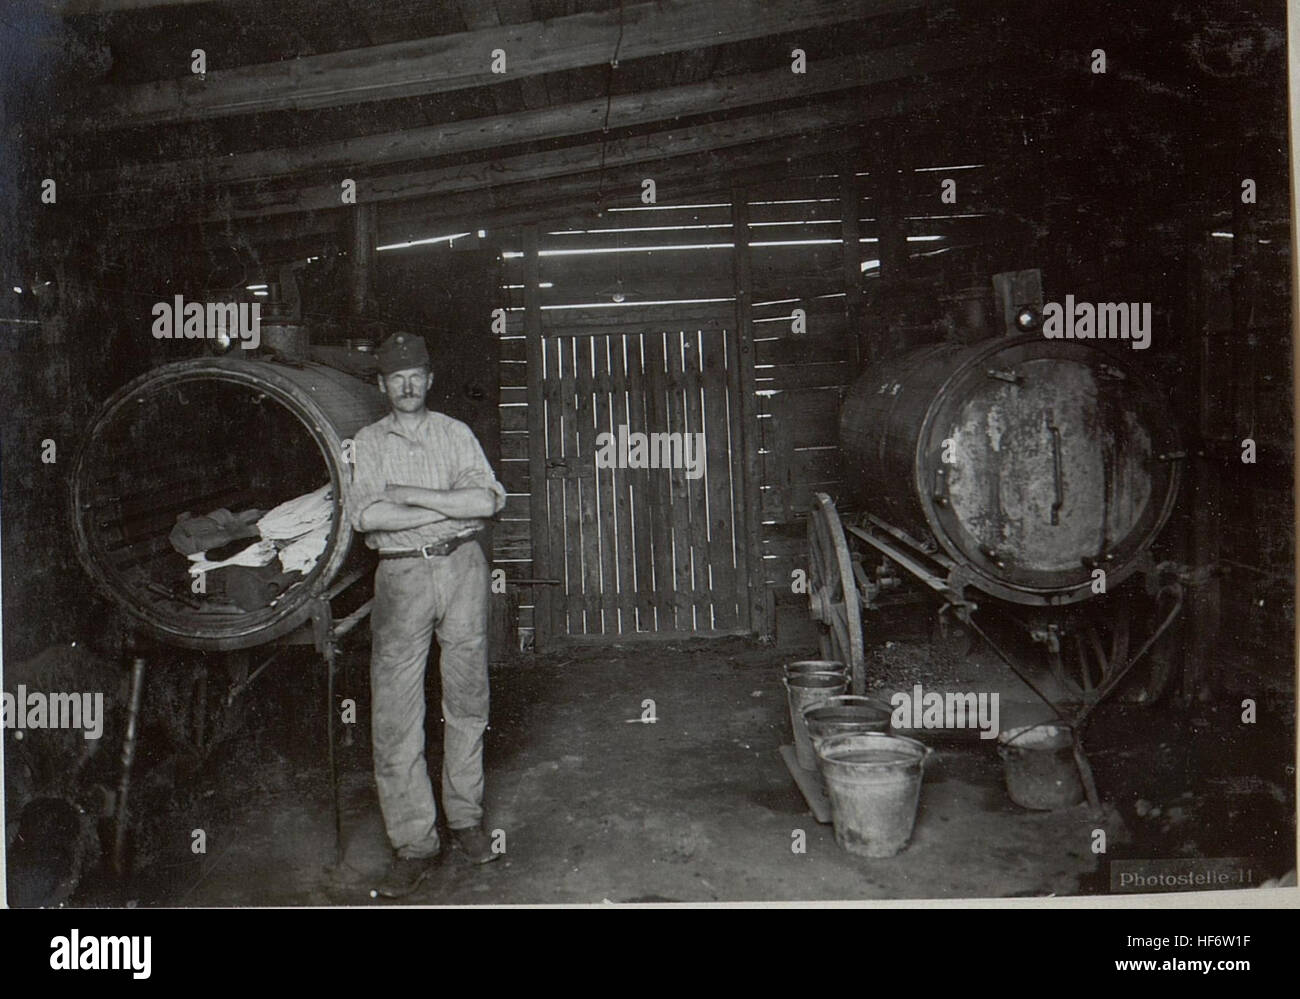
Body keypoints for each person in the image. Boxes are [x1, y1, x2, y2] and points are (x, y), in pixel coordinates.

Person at [348, 331, 507, 898]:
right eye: (396, 376)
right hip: (402, 577)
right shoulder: (366, 443)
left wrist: (412, 495)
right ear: (383, 384)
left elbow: (486, 503)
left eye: (416, 374)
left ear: (430, 378)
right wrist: (447, 502)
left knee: (467, 698)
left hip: (463, 568)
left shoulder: (455, 434)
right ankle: (415, 843)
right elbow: (367, 516)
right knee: (395, 711)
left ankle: (464, 818)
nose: (408, 384)